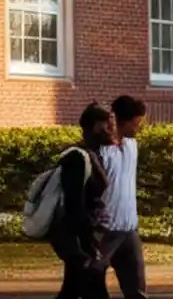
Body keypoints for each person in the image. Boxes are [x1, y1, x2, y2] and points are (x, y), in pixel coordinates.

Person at [52, 103, 114, 299]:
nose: (112, 130)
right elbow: (74, 204)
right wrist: (87, 243)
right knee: (89, 289)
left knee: (73, 290)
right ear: (96, 126)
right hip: (78, 241)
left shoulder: (94, 156)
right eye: (108, 125)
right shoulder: (77, 158)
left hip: (86, 239)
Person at [99, 95, 148, 299]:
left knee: (137, 287)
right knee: (90, 282)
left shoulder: (131, 147)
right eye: (136, 123)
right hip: (105, 231)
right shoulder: (101, 152)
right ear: (123, 122)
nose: (138, 128)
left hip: (129, 229)